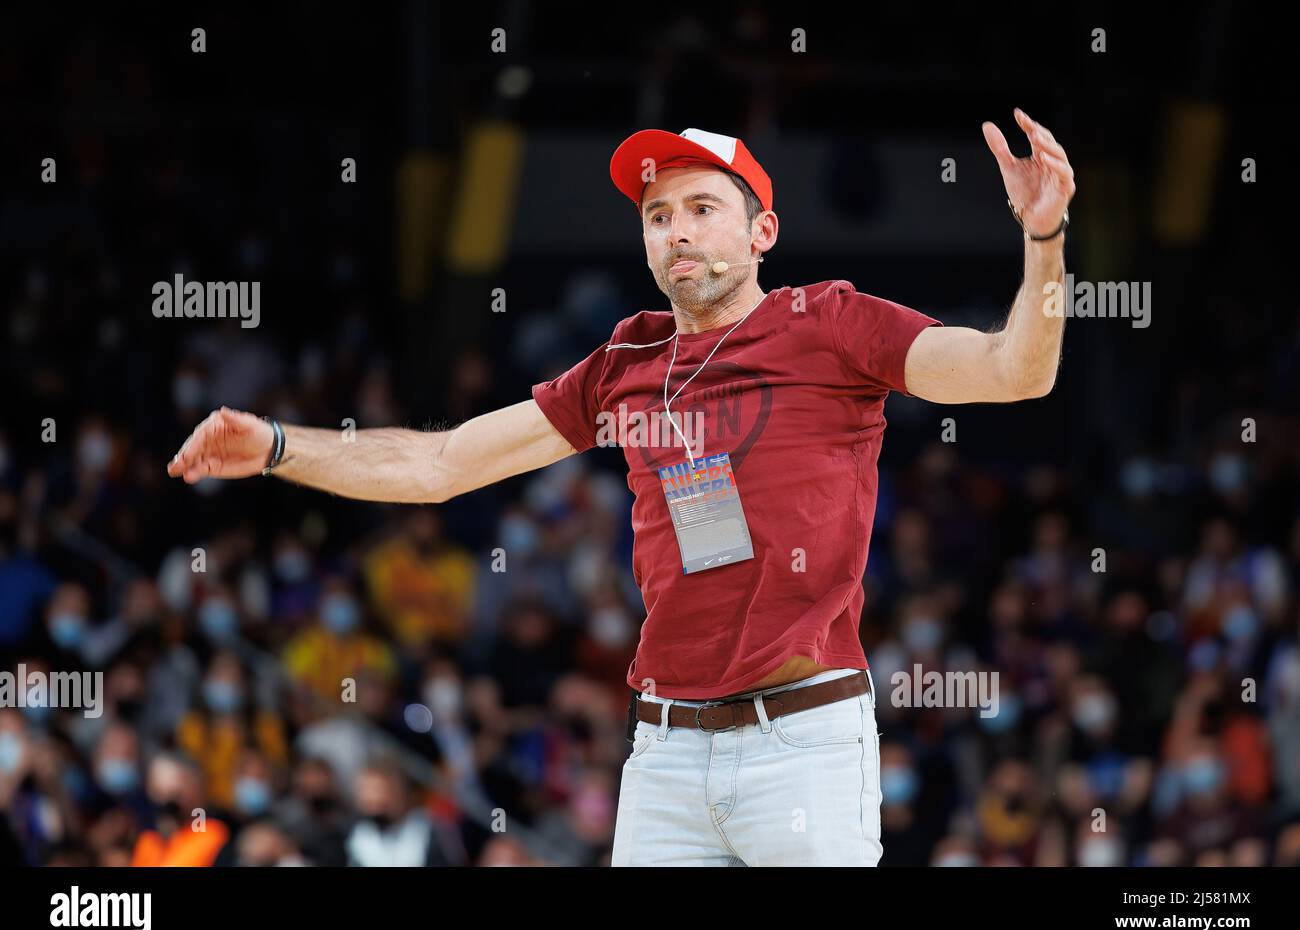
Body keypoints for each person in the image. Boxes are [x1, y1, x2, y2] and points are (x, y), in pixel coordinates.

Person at [166, 111, 1075, 865]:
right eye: (658, 214)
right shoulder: (626, 364)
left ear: (762, 231)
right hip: (666, 753)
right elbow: (442, 466)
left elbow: (1012, 372)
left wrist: (1044, 239)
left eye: (703, 208)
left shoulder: (832, 325)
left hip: (804, 746)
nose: (676, 229)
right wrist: (282, 445)